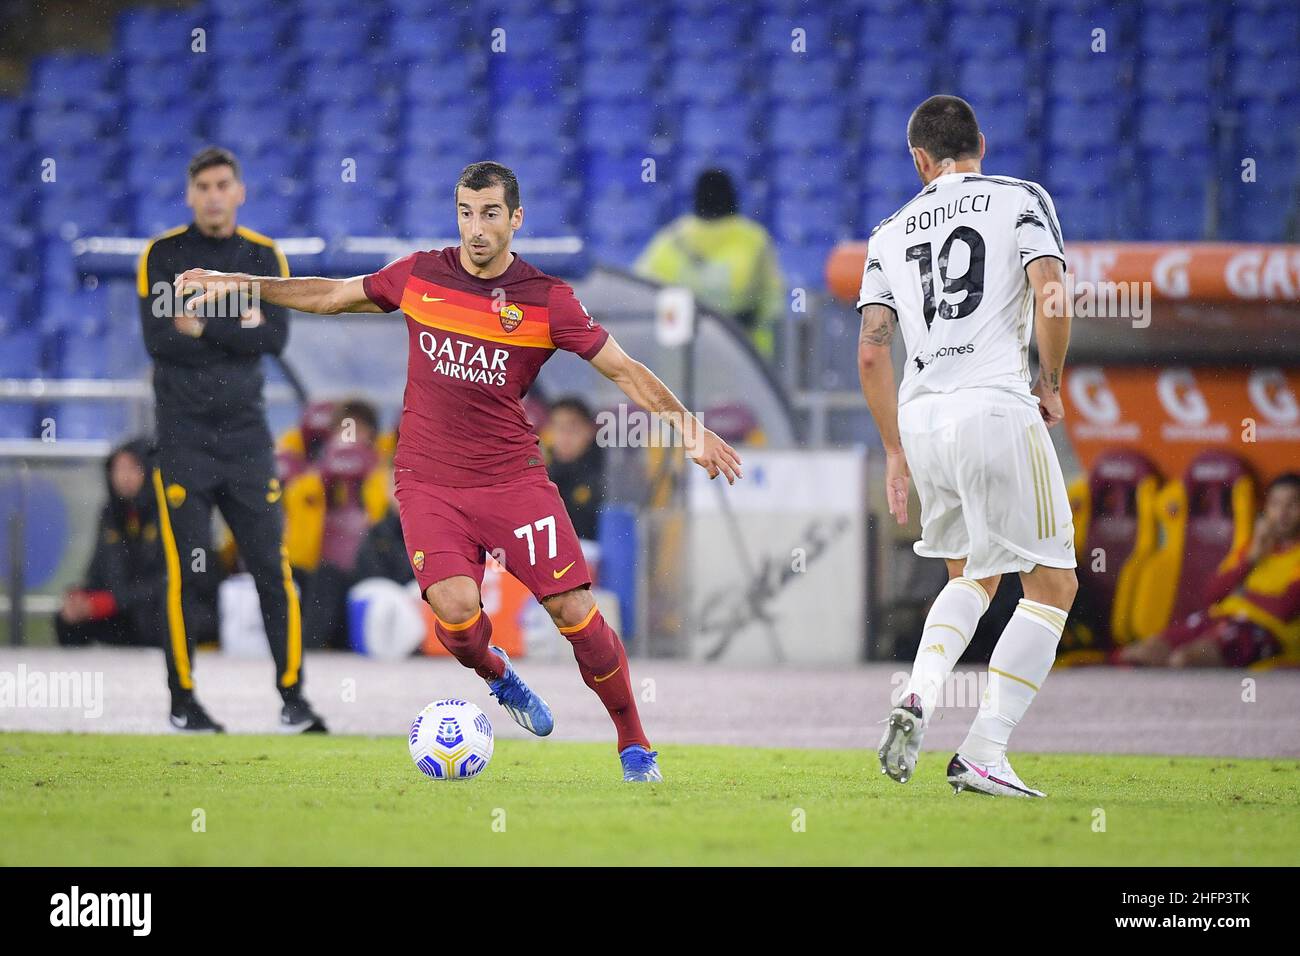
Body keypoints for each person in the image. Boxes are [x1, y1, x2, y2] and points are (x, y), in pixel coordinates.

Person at [175, 161, 742, 782]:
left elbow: (626, 369)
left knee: (574, 613)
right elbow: (333, 295)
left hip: (513, 481)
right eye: (467, 213)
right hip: (428, 481)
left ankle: (635, 744)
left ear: (516, 218)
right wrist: (243, 282)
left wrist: (691, 428)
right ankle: (500, 677)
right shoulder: (421, 275)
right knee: (455, 614)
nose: (477, 229)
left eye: (491, 214)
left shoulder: (549, 300)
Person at [856, 95, 1078, 798]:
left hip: (924, 420)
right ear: (981, 141)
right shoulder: (1018, 198)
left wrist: (893, 450)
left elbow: (870, 354)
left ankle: (919, 693)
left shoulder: (888, 232)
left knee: (971, 579)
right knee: (1052, 583)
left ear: (920, 161)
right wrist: (1050, 381)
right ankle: (984, 749)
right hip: (994, 405)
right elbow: (1051, 294)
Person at [137, 145, 325, 734]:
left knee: (273, 569)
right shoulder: (163, 254)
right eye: (204, 186)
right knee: (187, 574)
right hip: (183, 441)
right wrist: (240, 320)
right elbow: (161, 341)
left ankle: (293, 697)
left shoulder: (265, 255)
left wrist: (205, 323)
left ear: (239, 191)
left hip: (246, 440)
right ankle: (183, 700)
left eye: (224, 185)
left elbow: (275, 338)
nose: (215, 195)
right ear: (190, 194)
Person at [1117, 473, 1300, 667]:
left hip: (1263, 632)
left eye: (1292, 505)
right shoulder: (1251, 548)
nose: (1282, 513)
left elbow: (1284, 609)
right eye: (1275, 504)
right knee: (1142, 652)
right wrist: (1250, 560)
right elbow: (1212, 595)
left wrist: (1242, 593)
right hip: (1219, 620)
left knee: (1184, 659)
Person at [634, 168, 785, 359]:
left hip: (683, 363)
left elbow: (639, 293)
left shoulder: (671, 240)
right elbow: (774, 302)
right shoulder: (755, 241)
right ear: (733, 198)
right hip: (744, 360)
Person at [57, 439, 170, 648]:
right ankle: (80, 677)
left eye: (133, 468)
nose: (124, 476)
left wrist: (113, 601)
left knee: (153, 616)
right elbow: (98, 570)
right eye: (118, 468)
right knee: (66, 619)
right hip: (123, 610)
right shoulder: (110, 515)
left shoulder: (168, 513)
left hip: (153, 612)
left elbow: (167, 581)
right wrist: (83, 596)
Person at [543, 396, 604, 543]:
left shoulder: (605, 475)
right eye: (558, 427)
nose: (565, 436)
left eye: (572, 428)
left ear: (589, 431)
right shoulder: (540, 475)